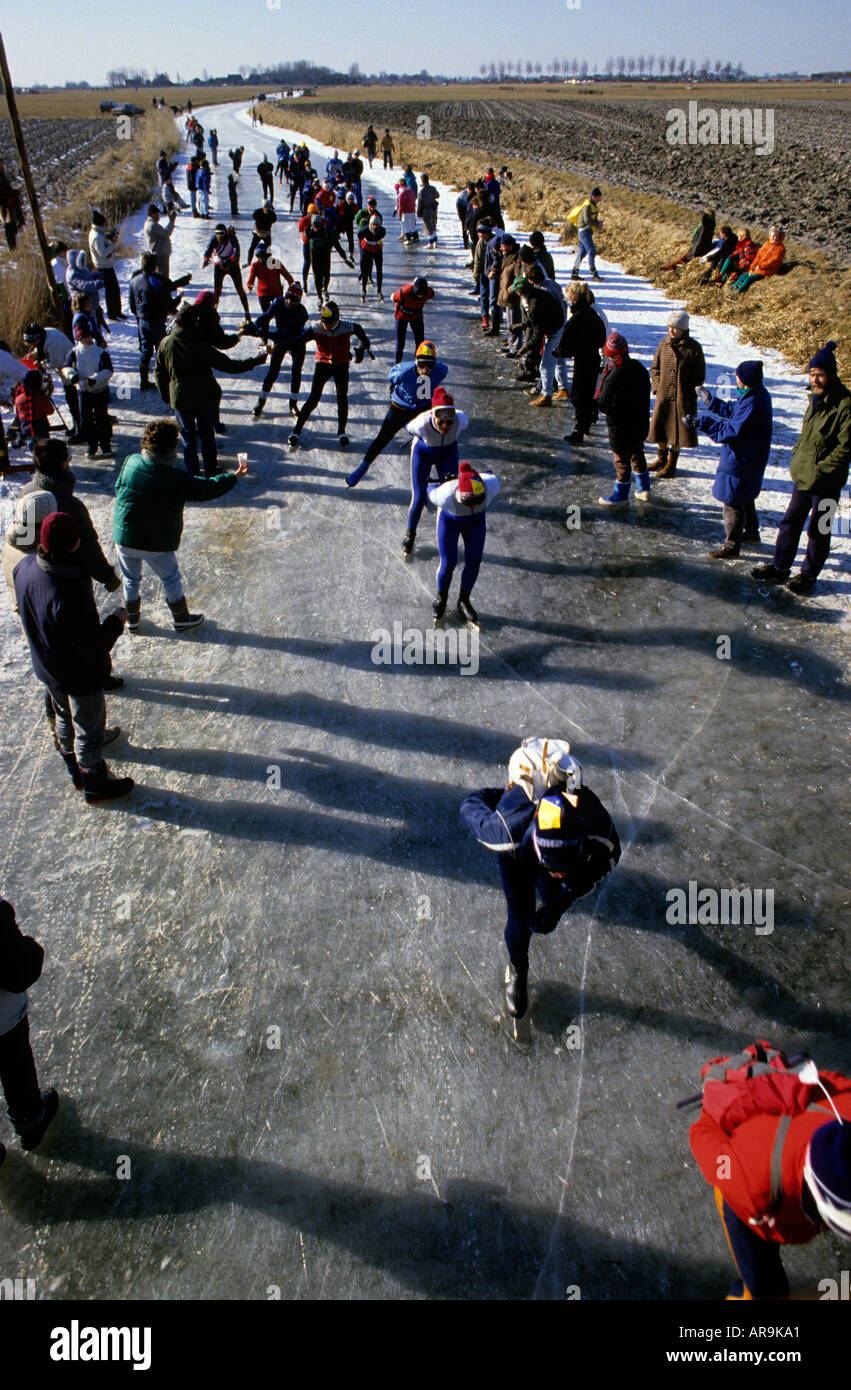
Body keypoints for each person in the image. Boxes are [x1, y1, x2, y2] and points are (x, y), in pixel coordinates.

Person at [460, 741, 620, 1019]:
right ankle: (518, 969)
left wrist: (561, 902)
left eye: (566, 865)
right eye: (551, 865)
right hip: (519, 848)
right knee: (521, 918)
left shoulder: (598, 829)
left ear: (583, 843)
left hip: (552, 828)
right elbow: (469, 804)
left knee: (551, 897)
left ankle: (555, 883)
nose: (559, 872)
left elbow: (599, 867)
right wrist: (502, 797)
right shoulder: (502, 830)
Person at [688, 1040, 851, 1299]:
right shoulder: (746, 1183)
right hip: (751, 1210)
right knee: (765, 1293)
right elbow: (705, 1140)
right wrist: (715, 1111)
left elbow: (828, 1080)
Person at [13, 512, 133, 804]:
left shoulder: (24, 567)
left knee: (64, 717)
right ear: (73, 545)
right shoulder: (69, 592)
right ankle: (94, 782)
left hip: (47, 666)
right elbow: (94, 645)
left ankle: (74, 771)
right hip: (79, 675)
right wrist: (117, 620)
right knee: (88, 728)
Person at [113, 418, 248, 633]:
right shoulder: (175, 478)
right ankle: (181, 619)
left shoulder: (131, 461)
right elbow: (206, 489)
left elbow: (118, 488)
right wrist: (234, 477)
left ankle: (132, 620)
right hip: (155, 542)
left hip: (125, 536)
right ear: (170, 448)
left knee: (130, 579)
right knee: (170, 578)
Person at [752, 341, 850, 595]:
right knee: (790, 522)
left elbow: (846, 447)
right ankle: (780, 566)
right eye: (812, 374)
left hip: (827, 481)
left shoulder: (845, 405)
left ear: (831, 375)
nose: (815, 379)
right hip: (804, 477)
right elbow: (807, 437)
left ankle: (809, 575)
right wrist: (798, 459)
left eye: (820, 374)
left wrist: (821, 470)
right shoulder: (815, 399)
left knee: (820, 529)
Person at [155, 303, 267, 476]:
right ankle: (210, 470)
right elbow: (229, 365)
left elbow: (159, 373)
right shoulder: (200, 346)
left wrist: (167, 397)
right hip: (202, 397)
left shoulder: (165, 343)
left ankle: (192, 473)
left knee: (187, 439)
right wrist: (255, 361)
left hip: (179, 399)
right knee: (207, 435)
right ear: (195, 324)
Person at [0, 897, 58, 1164]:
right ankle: (30, 1121)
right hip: (4, 1020)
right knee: (15, 1065)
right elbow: (18, 971)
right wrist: (32, 949)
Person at [694, 360, 773, 558]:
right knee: (745, 494)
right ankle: (752, 533)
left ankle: (732, 545)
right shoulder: (754, 395)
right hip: (750, 458)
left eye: (737, 376)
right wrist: (711, 402)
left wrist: (701, 422)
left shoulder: (754, 402)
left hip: (742, 458)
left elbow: (731, 430)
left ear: (745, 380)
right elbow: (734, 411)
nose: (735, 379)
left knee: (733, 500)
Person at [346, 341, 449, 488]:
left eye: (429, 365)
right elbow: (392, 380)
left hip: (422, 407)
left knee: (434, 440)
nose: (425, 370)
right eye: (421, 365)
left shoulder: (440, 370)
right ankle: (363, 467)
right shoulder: (403, 371)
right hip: (401, 408)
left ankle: (432, 472)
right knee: (382, 438)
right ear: (415, 362)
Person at [288, 301, 372, 452]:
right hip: (323, 365)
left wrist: (361, 347)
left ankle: (341, 432)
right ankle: (296, 431)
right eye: (323, 321)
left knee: (342, 397)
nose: (325, 325)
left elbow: (362, 335)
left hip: (341, 365)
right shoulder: (317, 327)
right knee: (313, 398)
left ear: (337, 319)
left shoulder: (347, 326)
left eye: (329, 322)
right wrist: (278, 346)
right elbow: (297, 341)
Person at [428, 460, 499, 627]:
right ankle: (442, 597)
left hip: (476, 523)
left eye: (478, 500)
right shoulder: (444, 495)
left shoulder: (492, 485)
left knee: (474, 562)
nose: (474, 505)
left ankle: (464, 600)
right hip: (450, 522)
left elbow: (488, 476)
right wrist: (444, 483)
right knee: (448, 563)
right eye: (469, 502)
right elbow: (429, 490)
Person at [402, 387, 469, 560]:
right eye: (441, 422)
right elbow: (408, 427)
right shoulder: (421, 423)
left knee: (451, 497)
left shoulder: (461, 420)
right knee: (418, 497)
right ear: (433, 416)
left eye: (449, 422)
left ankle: (450, 535)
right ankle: (410, 533)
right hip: (423, 454)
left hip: (447, 454)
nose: (446, 426)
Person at [596, 332, 652, 509]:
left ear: (610, 354)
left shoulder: (614, 375)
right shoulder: (639, 368)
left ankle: (620, 496)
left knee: (621, 459)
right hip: (640, 422)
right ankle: (644, 489)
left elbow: (603, 404)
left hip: (620, 427)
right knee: (637, 452)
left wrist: (613, 410)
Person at [647, 311, 706, 478]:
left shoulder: (694, 348)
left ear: (683, 329)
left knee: (677, 433)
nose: (671, 331)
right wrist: (657, 386)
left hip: (683, 398)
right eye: (670, 327)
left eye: (675, 328)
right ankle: (661, 458)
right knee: (660, 428)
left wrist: (690, 391)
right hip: (664, 396)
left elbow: (700, 374)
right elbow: (655, 368)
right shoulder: (663, 344)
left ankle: (671, 464)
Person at [129, 251, 191, 392]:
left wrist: (140, 315)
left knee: (145, 350)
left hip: (142, 321)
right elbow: (169, 305)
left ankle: (143, 382)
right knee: (161, 351)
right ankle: (163, 381)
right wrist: (180, 297)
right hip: (156, 321)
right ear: (155, 266)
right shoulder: (157, 282)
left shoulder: (134, 280)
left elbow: (132, 304)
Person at [555, 282, 608, 444]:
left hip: (582, 360)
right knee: (590, 393)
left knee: (580, 395)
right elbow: (602, 338)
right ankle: (586, 423)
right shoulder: (595, 315)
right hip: (595, 358)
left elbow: (566, 344)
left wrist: (558, 352)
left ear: (573, 298)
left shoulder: (577, 318)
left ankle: (579, 429)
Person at [249, 282, 309, 419]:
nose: (289, 302)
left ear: (299, 302)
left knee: (296, 371)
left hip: (296, 340)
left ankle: (293, 404)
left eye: (294, 300)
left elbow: (286, 334)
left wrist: (262, 333)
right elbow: (266, 316)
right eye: (288, 297)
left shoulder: (302, 313)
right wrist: (254, 325)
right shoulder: (277, 302)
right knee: (273, 371)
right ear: (285, 295)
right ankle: (261, 401)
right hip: (281, 336)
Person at [512, 271, 567, 405]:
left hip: (554, 331)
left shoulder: (534, 303)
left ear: (520, 293)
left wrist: (525, 348)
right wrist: (523, 325)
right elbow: (536, 319)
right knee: (559, 360)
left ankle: (546, 396)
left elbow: (537, 333)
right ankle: (563, 389)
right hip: (559, 326)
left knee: (546, 365)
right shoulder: (537, 293)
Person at [61, 327, 113, 460]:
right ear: (79, 339)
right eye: (83, 337)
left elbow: (108, 371)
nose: (87, 339)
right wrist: (73, 376)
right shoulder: (74, 352)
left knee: (102, 418)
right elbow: (66, 367)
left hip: (100, 390)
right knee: (86, 420)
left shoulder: (101, 352)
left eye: (88, 336)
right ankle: (92, 446)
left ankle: (106, 446)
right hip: (84, 392)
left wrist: (93, 380)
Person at [20, 321, 80, 436]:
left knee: (74, 401)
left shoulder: (53, 343)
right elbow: (41, 347)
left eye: (33, 344)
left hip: (71, 372)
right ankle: (77, 425)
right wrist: (34, 354)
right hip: (65, 371)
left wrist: (41, 364)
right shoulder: (45, 333)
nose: (33, 346)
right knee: (72, 401)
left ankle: (81, 429)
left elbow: (56, 362)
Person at [201, 225, 251, 320]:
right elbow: (208, 251)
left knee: (239, 289)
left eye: (221, 234)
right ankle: (214, 313)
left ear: (225, 233)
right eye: (217, 234)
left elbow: (236, 253)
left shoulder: (232, 238)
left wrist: (228, 262)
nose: (219, 237)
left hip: (232, 264)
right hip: (219, 265)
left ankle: (247, 312)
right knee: (217, 291)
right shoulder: (214, 240)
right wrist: (206, 259)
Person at [88, 210, 124, 320]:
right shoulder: (97, 236)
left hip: (106, 266)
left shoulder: (98, 234)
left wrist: (109, 238)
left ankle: (117, 312)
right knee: (111, 292)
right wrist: (112, 244)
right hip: (103, 267)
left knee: (115, 290)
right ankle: (113, 314)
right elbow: (103, 253)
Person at [731, 225, 785, 293]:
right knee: (742, 276)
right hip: (757, 269)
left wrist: (760, 266)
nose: (774, 238)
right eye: (773, 235)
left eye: (776, 236)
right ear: (770, 235)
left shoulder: (780, 249)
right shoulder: (766, 245)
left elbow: (773, 261)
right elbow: (758, 257)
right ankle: (731, 289)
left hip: (766, 271)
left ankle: (737, 293)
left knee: (749, 279)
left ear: (779, 236)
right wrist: (752, 268)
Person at [392, 277, 434, 363]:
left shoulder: (429, 292)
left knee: (420, 342)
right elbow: (393, 297)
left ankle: (418, 363)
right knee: (400, 343)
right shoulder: (403, 293)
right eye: (418, 293)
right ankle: (397, 365)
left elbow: (431, 294)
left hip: (416, 315)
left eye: (422, 294)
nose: (420, 296)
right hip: (402, 316)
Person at [246, 244, 294, 315]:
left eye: (263, 256)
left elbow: (286, 275)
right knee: (266, 315)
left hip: (277, 292)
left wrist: (292, 284)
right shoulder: (255, 266)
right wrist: (249, 285)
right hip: (263, 294)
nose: (261, 259)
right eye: (258, 256)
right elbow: (250, 279)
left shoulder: (275, 262)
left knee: (280, 315)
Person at [572, 187, 603, 282]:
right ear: (594, 196)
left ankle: (574, 273)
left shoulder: (591, 204)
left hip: (585, 231)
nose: (600, 199)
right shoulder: (588, 206)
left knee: (582, 252)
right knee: (591, 251)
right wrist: (598, 224)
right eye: (599, 197)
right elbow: (587, 220)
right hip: (584, 232)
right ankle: (594, 273)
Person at [144, 204, 178, 278]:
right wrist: (171, 221)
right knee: (163, 276)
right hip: (160, 254)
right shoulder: (152, 225)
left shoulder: (151, 224)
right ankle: (164, 288)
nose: (158, 216)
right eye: (157, 214)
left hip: (160, 253)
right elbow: (166, 233)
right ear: (152, 214)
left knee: (161, 274)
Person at [358, 214, 386, 303]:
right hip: (367, 250)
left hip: (377, 250)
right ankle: (363, 290)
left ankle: (379, 291)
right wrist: (362, 251)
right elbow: (359, 237)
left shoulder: (382, 231)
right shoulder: (364, 230)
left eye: (377, 225)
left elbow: (381, 237)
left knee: (379, 270)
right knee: (365, 271)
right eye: (373, 224)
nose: (375, 227)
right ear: (370, 224)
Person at [0, 158, 25, 250]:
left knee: (12, 226)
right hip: (5, 207)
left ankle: (14, 247)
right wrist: (13, 194)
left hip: (9, 206)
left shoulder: (2, 176)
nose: (2, 166)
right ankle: (13, 248)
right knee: (9, 228)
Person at [417, 174, 439, 250]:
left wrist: (418, 212)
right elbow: (437, 195)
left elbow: (420, 202)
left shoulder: (422, 191)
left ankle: (430, 242)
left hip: (426, 209)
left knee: (427, 226)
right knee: (433, 224)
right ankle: (435, 241)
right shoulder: (433, 188)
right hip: (433, 208)